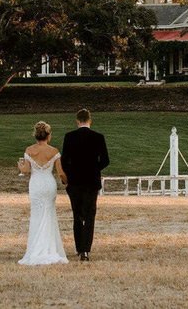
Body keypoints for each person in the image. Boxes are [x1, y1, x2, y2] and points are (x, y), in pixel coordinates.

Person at [60, 108, 110, 262]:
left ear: (77, 121)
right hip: (91, 181)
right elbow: (105, 160)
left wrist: (70, 173)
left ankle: (79, 247)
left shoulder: (69, 137)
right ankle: (86, 250)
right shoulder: (98, 137)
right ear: (90, 120)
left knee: (77, 214)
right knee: (89, 215)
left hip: (75, 181)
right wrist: (94, 168)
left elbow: (64, 160)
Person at [17, 121, 69, 265]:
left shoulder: (29, 150)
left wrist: (20, 167)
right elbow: (60, 173)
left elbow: (26, 170)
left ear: (35, 135)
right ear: (48, 135)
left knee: (36, 215)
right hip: (48, 184)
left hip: (36, 184)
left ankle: (35, 249)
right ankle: (49, 248)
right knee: (49, 213)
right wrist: (67, 182)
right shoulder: (54, 151)